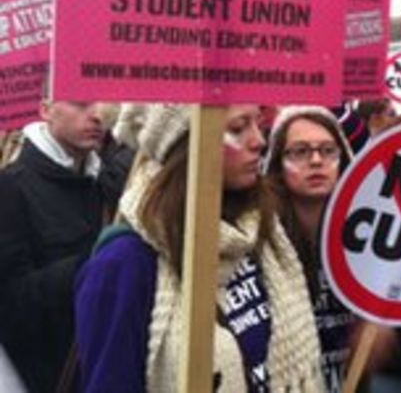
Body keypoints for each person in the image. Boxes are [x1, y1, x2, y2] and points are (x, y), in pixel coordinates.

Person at [75, 104, 323, 392]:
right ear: (188, 147)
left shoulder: (259, 232)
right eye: (237, 128)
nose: (259, 141)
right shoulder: (122, 266)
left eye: (258, 123)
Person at [0, 99, 106, 393]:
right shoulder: (10, 188)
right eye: (81, 103)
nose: (98, 115)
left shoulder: (108, 180)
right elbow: (10, 307)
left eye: (103, 102)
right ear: (46, 110)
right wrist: (88, 266)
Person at [263, 106, 356, 392]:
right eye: (300, 152)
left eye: (328, 150)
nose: (316, 160)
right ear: (278, 162)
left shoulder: (364, 239)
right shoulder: (263, 243)